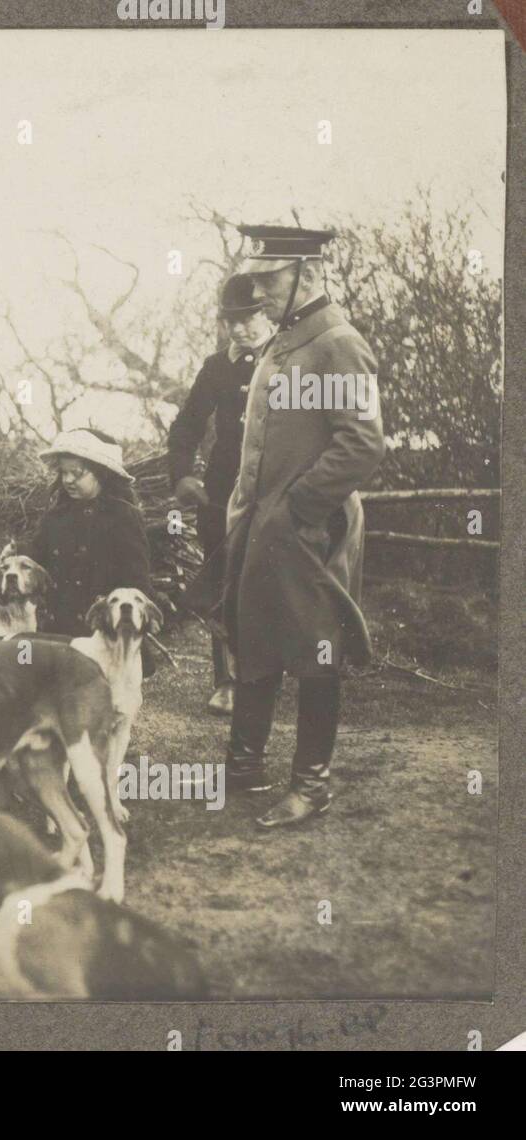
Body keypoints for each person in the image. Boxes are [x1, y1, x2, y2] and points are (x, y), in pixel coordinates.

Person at [217, 224, 385, 829]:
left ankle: (311, 784)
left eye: (270, 279)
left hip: (310, 528)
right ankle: (244, 765)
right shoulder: (284, 341)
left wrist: (300, 511)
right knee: (254, 633)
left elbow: (362, 444)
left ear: (307, 275)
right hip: (263, 525)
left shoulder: (336, 343)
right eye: (257, 278)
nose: (258, 292)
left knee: (318, 648)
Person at [168, 274, 272, 716]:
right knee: (222, 580)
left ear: (269, 315)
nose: (239, 329)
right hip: (222, 491)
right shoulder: (216, 367)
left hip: (274, 488)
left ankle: (269, 675)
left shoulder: (287, 360)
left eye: (249, 319)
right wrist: (181, 476)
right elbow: (187, 425)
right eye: (231, 321)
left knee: (270, 579)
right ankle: (227, 679)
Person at [27, 428, 152, 638]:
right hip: (57, 629)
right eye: (63, 472)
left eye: (76, 473)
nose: (67, 480)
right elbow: (36, 558)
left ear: (101, 473)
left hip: (102, 632)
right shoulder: (55, 517)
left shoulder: (122, 516)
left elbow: (137, 580)